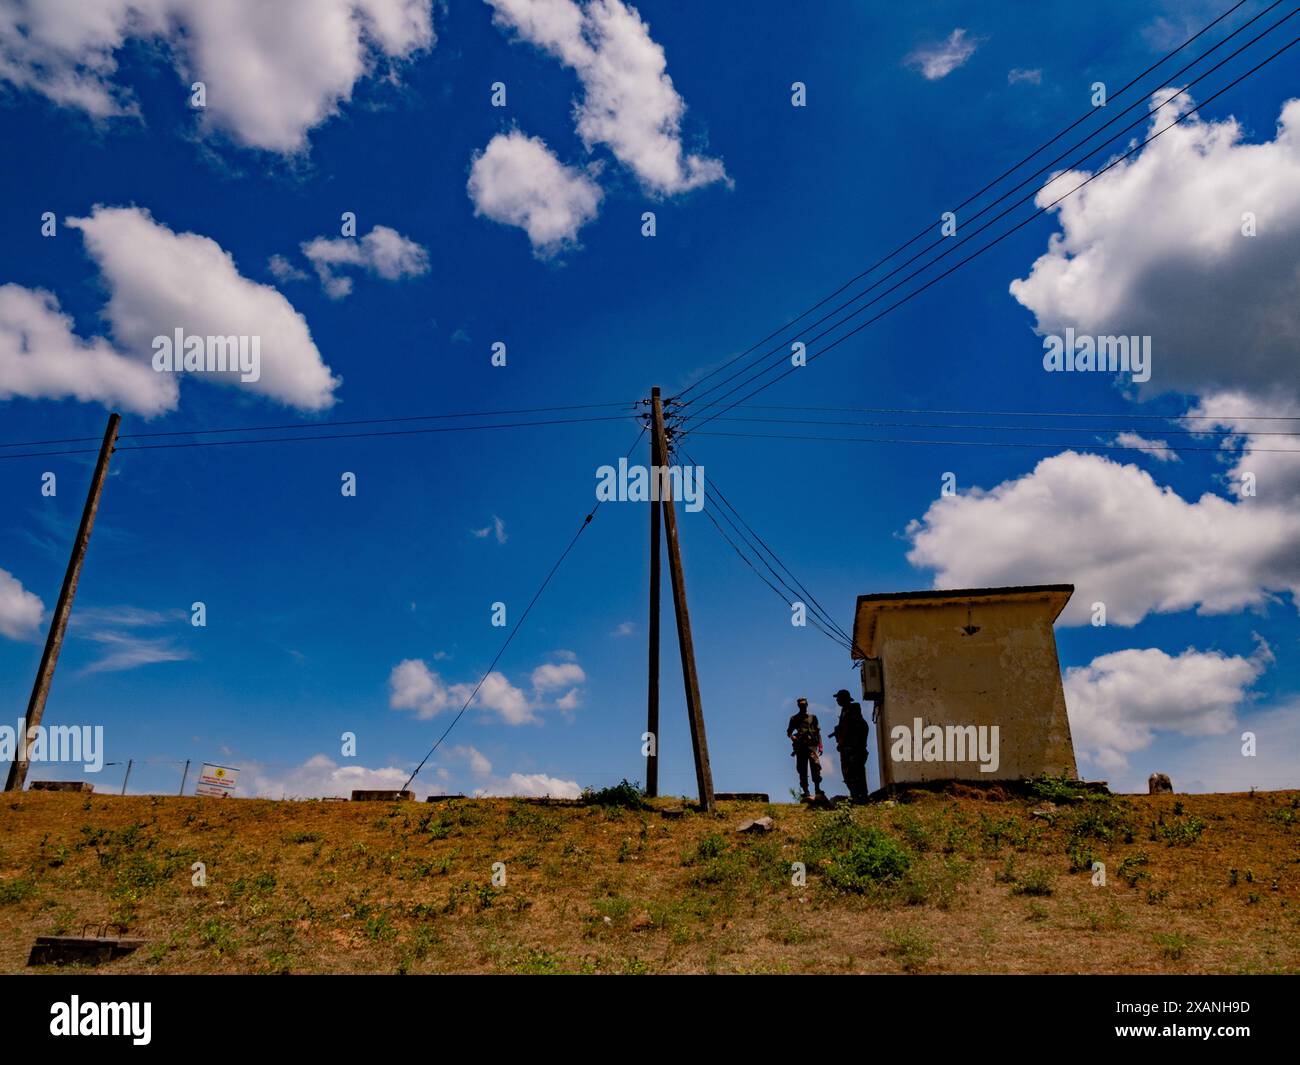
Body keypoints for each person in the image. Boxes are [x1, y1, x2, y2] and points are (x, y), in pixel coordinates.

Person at [829, 688, 869, 802]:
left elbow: (847, 727)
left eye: (838, 698)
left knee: (854, 772)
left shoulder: (851, 712)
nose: (837, 700)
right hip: (851, 748)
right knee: (851, 773)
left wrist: (841, 742)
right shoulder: (846, 712)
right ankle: (857, 795)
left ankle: (860, 796)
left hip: (853, 748)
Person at [786, 697, 826, 801]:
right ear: (798, 706)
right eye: (800, 705)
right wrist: (793, 737)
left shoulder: (813, 717)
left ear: (807, 705)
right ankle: (806, 791)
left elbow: (818, 732)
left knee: (816, 767)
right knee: (802, 769)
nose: (802, 706)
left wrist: (821, 746)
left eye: (804, 705)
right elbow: (789, 732)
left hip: (812, 746)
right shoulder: (794, 718)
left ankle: (817, 789)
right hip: (800, 747)